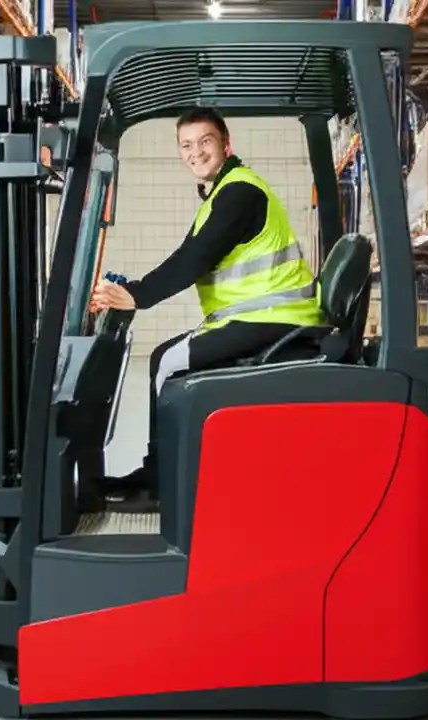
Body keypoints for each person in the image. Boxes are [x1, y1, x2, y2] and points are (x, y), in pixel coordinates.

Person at [89, 107, 329, 499]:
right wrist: (134, 289)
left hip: (274, 318)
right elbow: (188, 252)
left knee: (166, 363)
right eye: (186, 145)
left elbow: (195, 258)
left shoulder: (240, 191)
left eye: (205, 142)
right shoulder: (223, 192)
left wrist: (138, 296)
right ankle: (163, 469)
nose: (195, 152)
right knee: (163, 357)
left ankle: (158, 479)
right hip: (258, 317)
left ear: (225, 144)